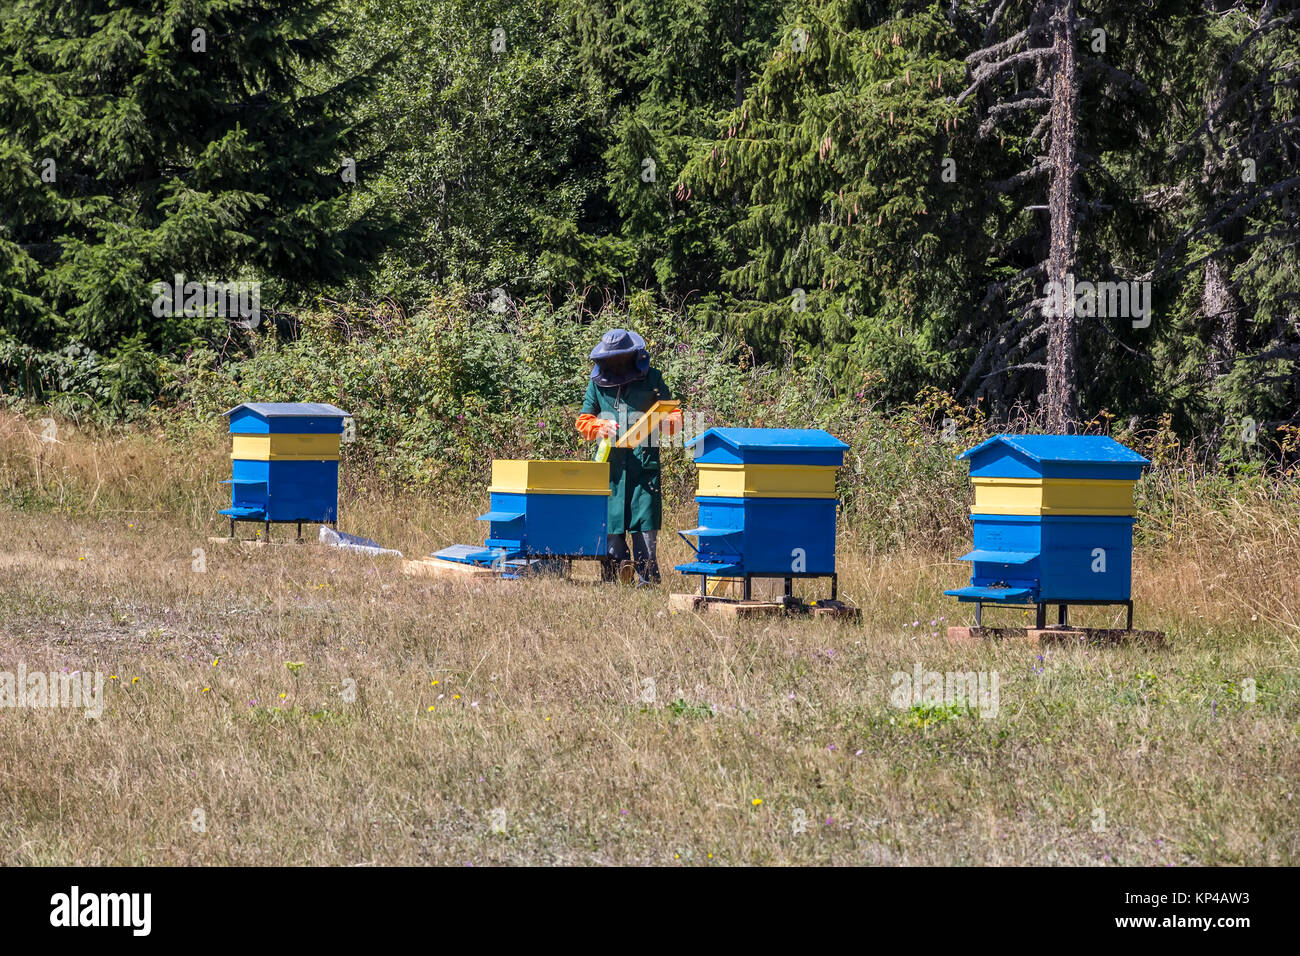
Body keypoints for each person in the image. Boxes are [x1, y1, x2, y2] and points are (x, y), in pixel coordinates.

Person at [575, 329, 682, 584]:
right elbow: (583, 420)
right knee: (611, 528)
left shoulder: (653, 377)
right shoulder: (597, 382)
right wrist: (600, 427)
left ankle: (647, 582)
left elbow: (674, 414)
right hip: (609, 469)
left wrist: (665, 422)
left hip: (643, 466)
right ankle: (614, 579)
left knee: (644, 527)